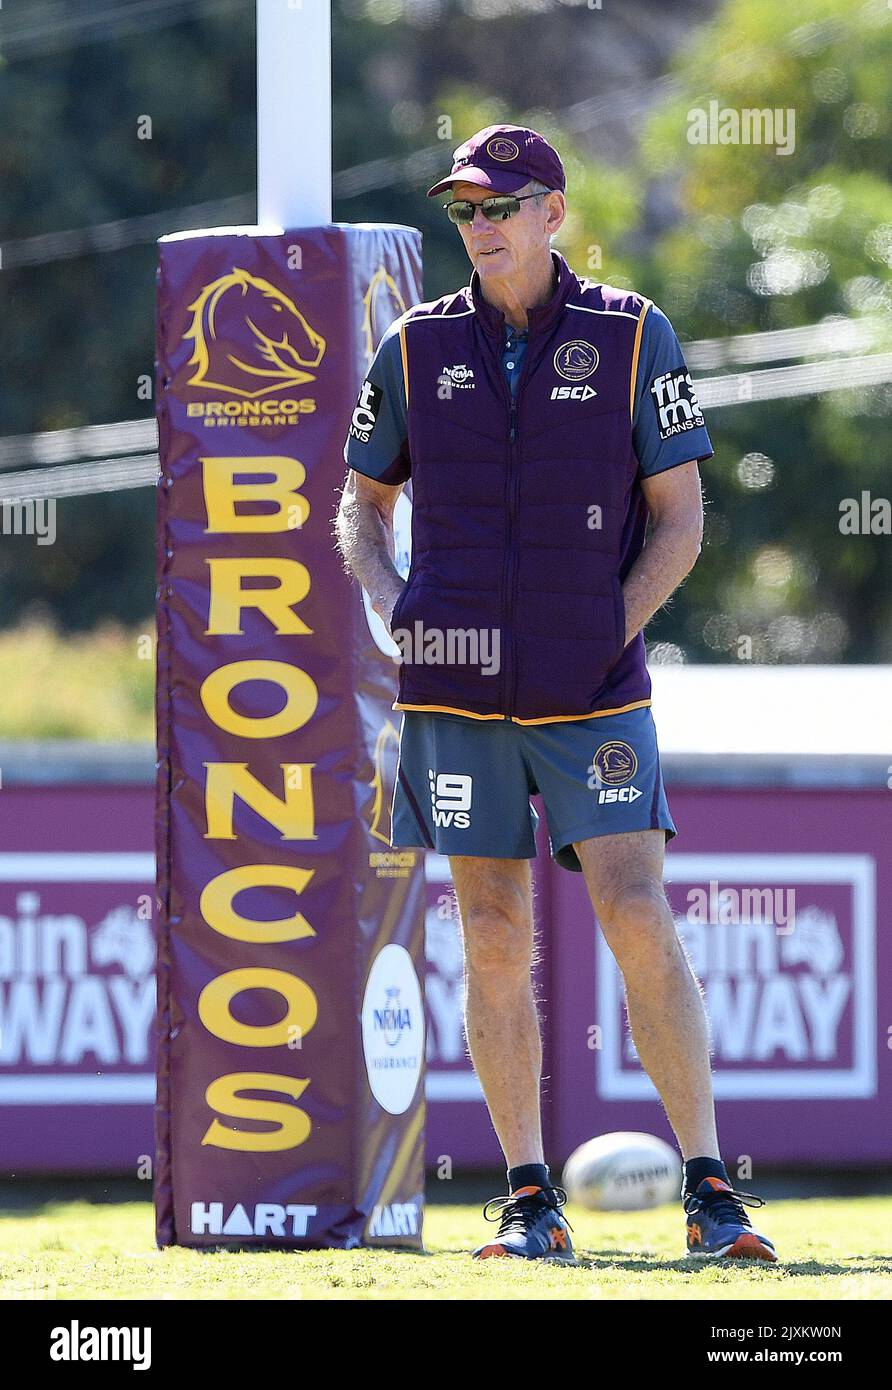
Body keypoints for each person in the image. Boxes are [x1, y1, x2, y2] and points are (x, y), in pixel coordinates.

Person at [336, 124, 776, 1265]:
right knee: (489, 933)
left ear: (552, 214)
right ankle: (531, 1202)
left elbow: (679, 523)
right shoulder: (415, 344)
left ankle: (712, 1193)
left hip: (595, 696)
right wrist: (392, 603)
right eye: (464, 210)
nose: (478, 228)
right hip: (454, 696)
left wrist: (605, 633)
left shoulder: (634, 334)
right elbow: (359, 506)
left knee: (634, 913)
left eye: (499, 207)